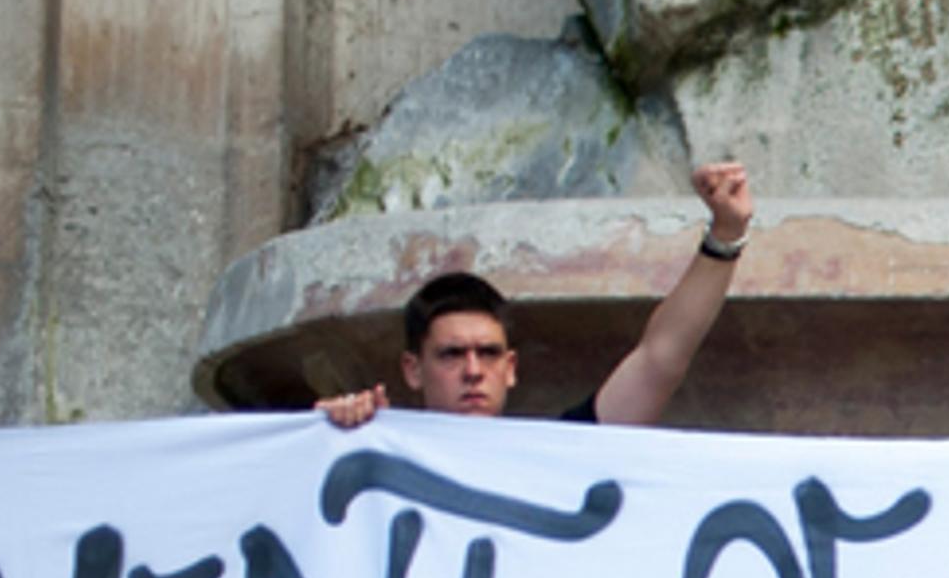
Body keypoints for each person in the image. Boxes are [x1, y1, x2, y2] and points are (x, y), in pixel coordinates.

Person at [317, 161, 759, 430]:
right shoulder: (379, 458)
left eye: (488, 354)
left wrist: (725, 235)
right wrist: (329, 432)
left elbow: (660, 359)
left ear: (510, 368)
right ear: (413, 369)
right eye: (452, 355)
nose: (473, 371)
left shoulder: (558, 455)